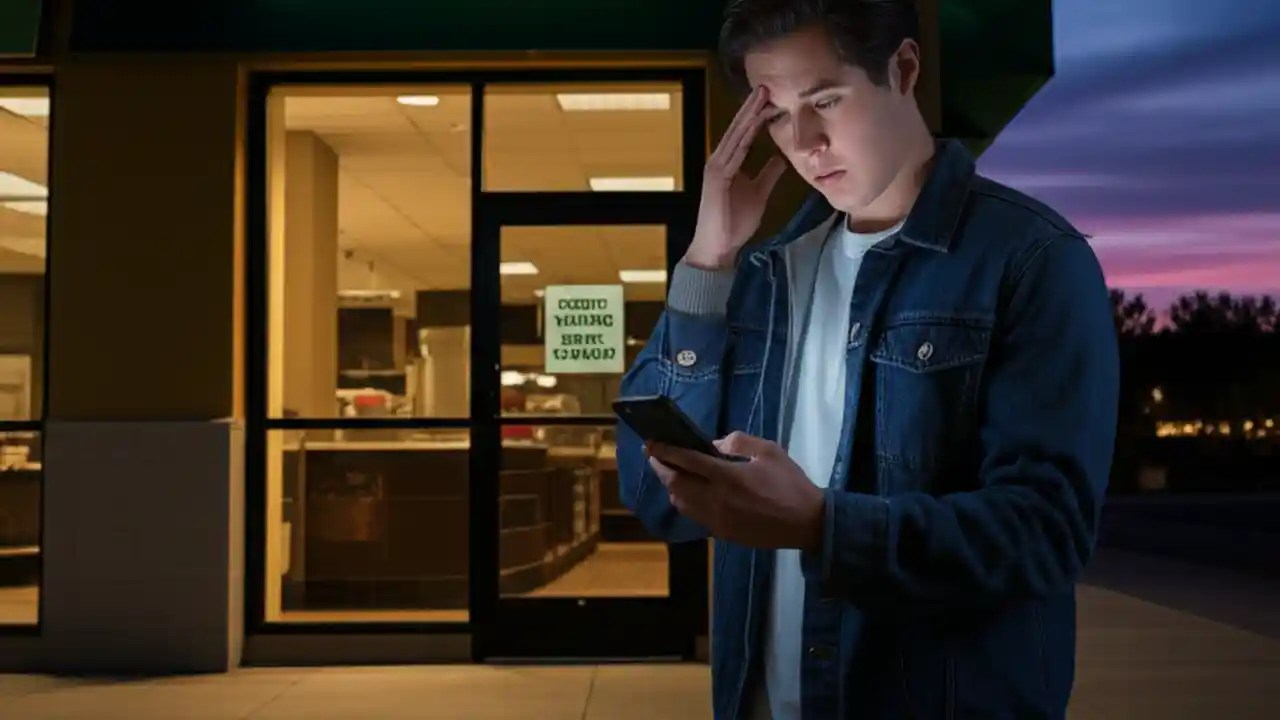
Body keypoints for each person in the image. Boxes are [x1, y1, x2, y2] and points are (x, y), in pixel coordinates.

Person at [616, 1, 1120, 718]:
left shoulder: (1032, 259)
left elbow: (1046, 534)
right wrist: (708, 261)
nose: (806, 141)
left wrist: (823, 525)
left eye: (825, 99)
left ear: (904, 69)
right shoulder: (763, 277)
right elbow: (652, 497)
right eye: (778, 115)